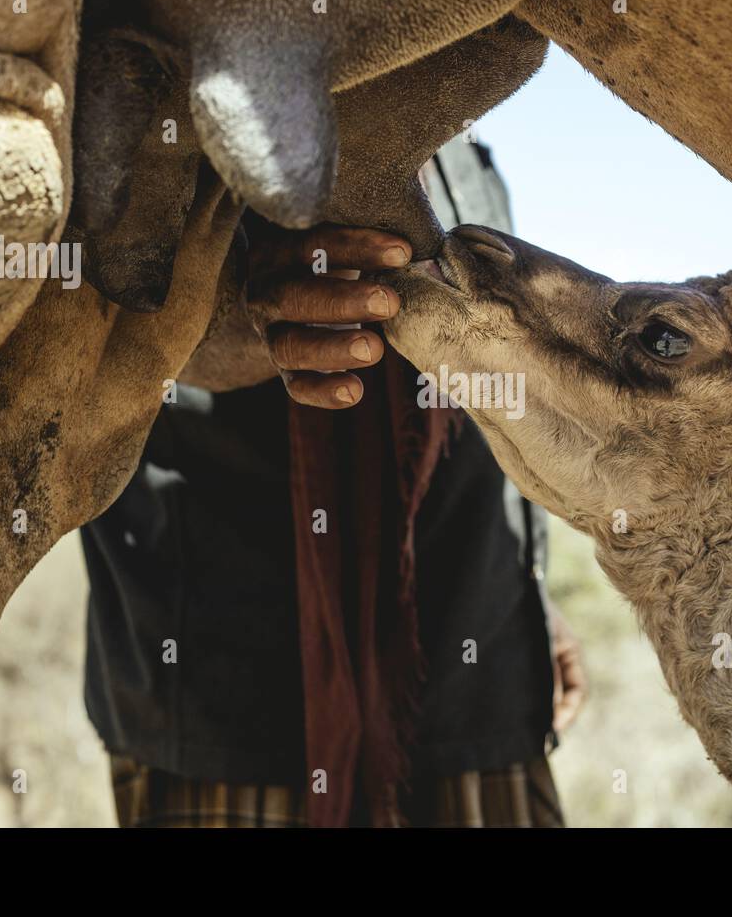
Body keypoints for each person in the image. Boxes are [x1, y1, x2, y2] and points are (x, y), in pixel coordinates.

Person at [80, 139, 586, 826]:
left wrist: (530, 593)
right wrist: (238, 310)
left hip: (477, 679)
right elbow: (79, 322)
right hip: (214, 687)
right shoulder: (160, 116)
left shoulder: (470, 162)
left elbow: (482, 423)